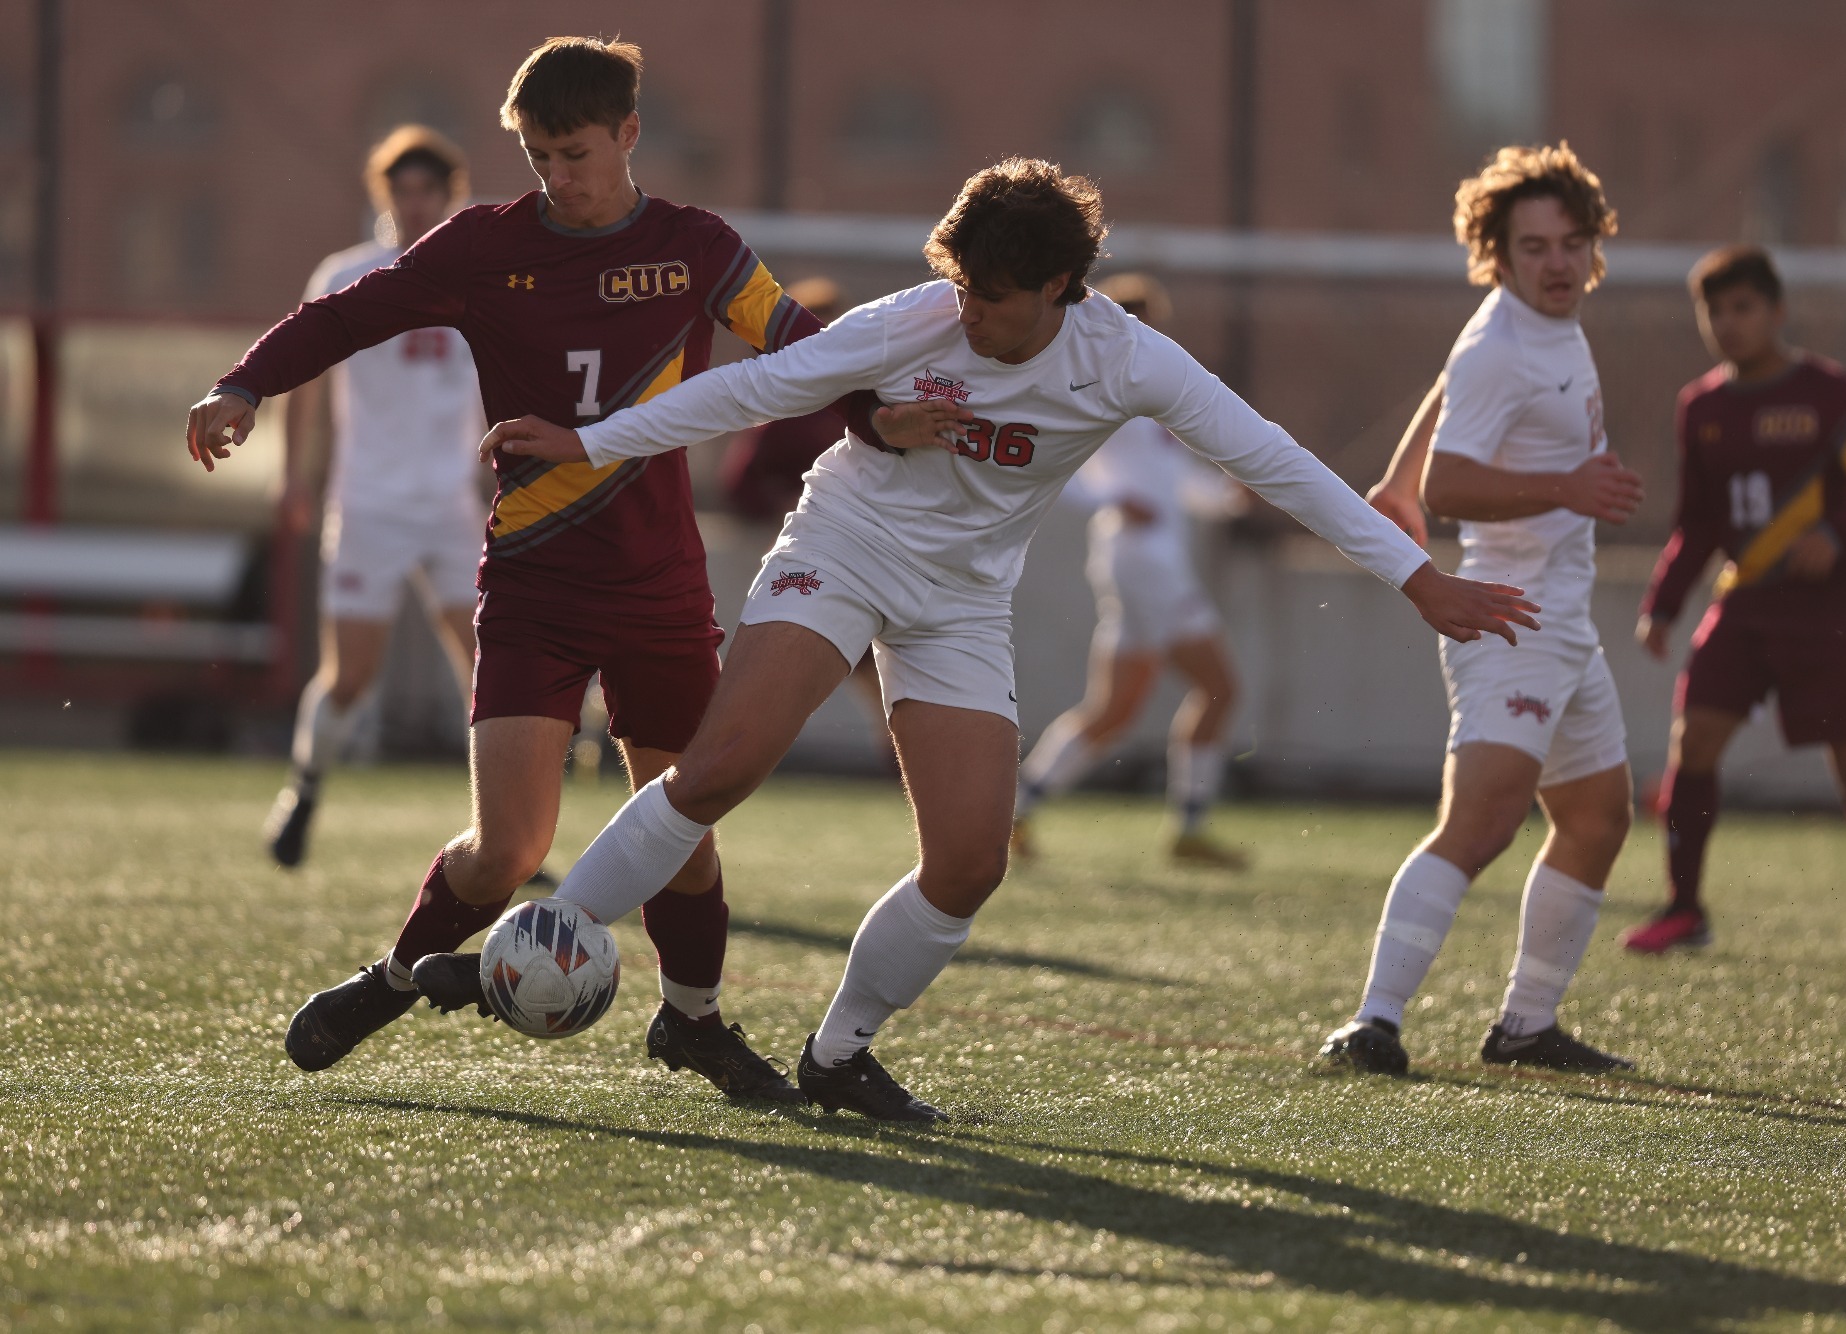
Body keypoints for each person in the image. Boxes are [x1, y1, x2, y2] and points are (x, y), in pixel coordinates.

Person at [437, 157, 1539, 1123]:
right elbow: (751, 387)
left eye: (993, 296)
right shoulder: (910, 320)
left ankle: (836, 1056)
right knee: (721, 766)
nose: (966, 312)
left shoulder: (1126, 359)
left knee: (969, 861)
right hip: (846, 541)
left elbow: (1273, 459)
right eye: (959, 283)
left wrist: (1416, 576)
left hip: (960, 598)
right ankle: (555, 929)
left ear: (1060, 287)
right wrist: (587, 441)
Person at [184, 36, 918, 1099]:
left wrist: (880, 419)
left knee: (683, 825)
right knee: (506, 849)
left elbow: (798, 346)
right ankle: (394, 975)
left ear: (627, 133)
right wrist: (245, 385)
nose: (556, 177)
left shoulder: (694, 244)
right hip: (531, 582)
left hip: (659, 586)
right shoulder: (482, 246)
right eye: (536, 157)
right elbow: (348, 314)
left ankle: (694, 1022)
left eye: (572, 152)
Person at [1322, 143, 1644, 1078]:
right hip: (1511, 620)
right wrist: (1562, 486)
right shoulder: (1511, 343)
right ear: (1497, 256)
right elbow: (1464, 478)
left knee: (1596, 821)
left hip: (1565, 625)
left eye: (1572, 243)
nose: (1558, 263)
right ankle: (1372, 1023)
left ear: (1593, 247)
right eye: (1534, 247)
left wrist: (1399, 477)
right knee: (1481, 827)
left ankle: (1526, 1027)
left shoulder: (1526, 323)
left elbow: (1449, 388)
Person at [1622, 246, 1846, 966]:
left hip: (1830, 613)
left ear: (1778, 312)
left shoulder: (1828, 392)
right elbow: (1697, 521)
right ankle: (1685, 909)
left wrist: (1834, 533)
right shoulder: (1702, 407)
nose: (1728, 323)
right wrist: (1663, 604)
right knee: (1692, 744)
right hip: (1744, 606)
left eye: (1742, 308)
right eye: (1714, 311)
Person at [263, 126, 487, 869]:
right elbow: (301, 373)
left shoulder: (481, 273)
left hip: (455, 502)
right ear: (382, 194)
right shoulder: (346, 274)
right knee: (350, 676)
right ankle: (305, 788)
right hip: (368, 503)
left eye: (428, 189)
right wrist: (294, 473)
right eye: (402, 188)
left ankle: (501, 829)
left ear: (450, 194)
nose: (415, 202)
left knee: (490, 665)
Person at [1010, 272, 1252, 869]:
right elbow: (1047, 468)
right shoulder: (1097, 390)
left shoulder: (1143, 393)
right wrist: (1113, 500)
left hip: (1146, 563)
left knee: (1113, 712)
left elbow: (1168, 483)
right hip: (1145, 565)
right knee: (1221, 688)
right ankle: (1190, 827)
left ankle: (1015, 811)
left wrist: (1224, 495)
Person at [716, 276, 896, 770]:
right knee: (844, 655)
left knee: (882, 657)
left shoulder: (864, 390)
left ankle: (902, 748)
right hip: (814, 545)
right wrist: (787, 501)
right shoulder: (791, 404)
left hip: (877, 540)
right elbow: (742, 481)